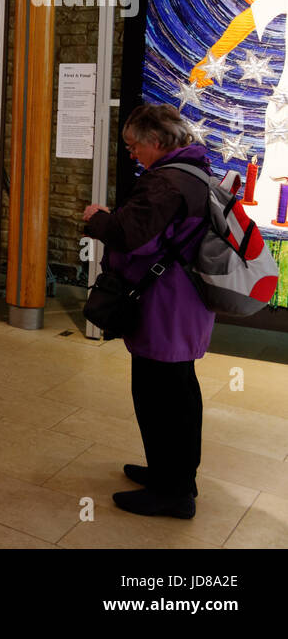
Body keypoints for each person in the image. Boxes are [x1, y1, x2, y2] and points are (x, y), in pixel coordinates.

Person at [82, 103, 214, 520]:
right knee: (176, 392)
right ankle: (173, 475)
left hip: (166, 303)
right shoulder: (192, 171)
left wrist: (97, 219)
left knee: (162, 397)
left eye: (133, 145)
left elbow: (128, 234)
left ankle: (173, 493)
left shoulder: (165, 184)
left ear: (156, 142)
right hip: (180, 301)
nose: (132, 153)